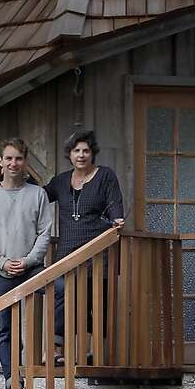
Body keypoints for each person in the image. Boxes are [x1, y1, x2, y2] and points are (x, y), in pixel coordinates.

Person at [0, 139, 53, 386]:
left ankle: (57, 352)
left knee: (61, 291)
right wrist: (2, 262)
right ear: (0, 162)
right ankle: (11, 377)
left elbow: (45, 232)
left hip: (32, 269)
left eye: (18, 158)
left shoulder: (38, 194)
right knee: (5, 327)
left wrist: (29, 261)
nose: (13, 163)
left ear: (25, 162)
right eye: (8, 158)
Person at [46, 127, 125, 362]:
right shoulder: (60, 181)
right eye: (76, 150)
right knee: (63, 296)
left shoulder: (105, 176)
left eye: (85, 150)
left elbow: (114, 202)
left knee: (96, 301)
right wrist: (19, 186)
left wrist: (117, 217)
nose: (81, 155)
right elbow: (38, 199)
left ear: (92, 154)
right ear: (69, 155)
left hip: (98, 251)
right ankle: (57, 350)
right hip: (67, 254)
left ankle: (95, 352)